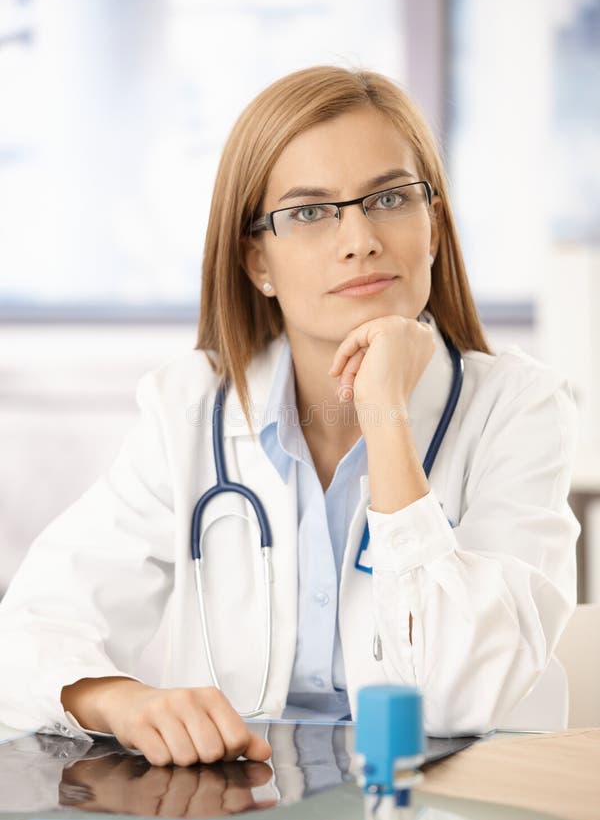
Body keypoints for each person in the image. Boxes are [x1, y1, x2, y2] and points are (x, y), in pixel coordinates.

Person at [0, 66, 580, 768]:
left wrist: (386, 417)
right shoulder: (189, 409)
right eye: (309, 212)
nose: (360, 238)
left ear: (433, 229)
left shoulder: (519, 410)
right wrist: (123, 700)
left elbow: (463, 695)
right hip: (243, 812)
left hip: (455, 815)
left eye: (390, 198)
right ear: (256, 261)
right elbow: (27, 634)